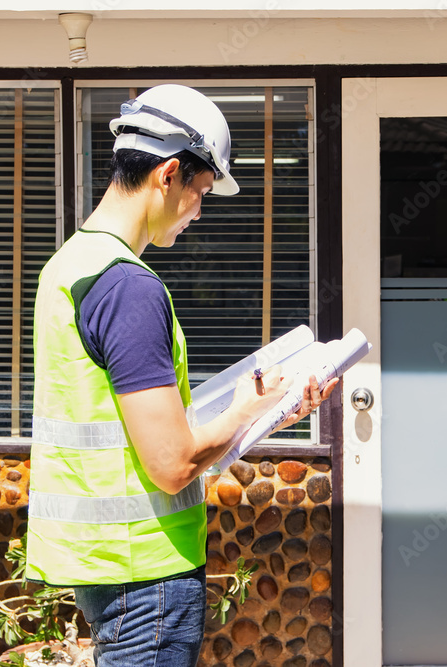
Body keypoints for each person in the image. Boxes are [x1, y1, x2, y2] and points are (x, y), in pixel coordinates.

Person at [25, 84, 338, 667]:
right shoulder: (129, 289)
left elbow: (134, 432)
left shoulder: (68, 266)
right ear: (169, 174)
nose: (199, 210)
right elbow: (170, 465)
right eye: (201, 191)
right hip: (148, 575)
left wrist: (272, 407)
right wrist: (245, 409)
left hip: (106, 570)